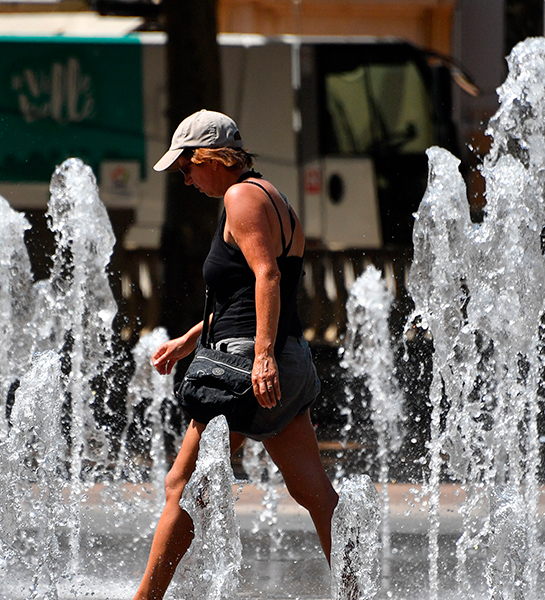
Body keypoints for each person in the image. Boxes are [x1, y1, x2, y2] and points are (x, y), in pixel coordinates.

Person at [136, 110, 339, 600]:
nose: (185, 179)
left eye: (186, 167)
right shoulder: (275, 199)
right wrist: (192, 337)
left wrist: (260, 357)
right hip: (285, 361)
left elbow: (267, 277)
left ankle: (144, 599)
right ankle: (358, 591)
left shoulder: (241, 196)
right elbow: (250, 294)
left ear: (210, 157)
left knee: (180, 486)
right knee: (317, 497)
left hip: (247, 368)